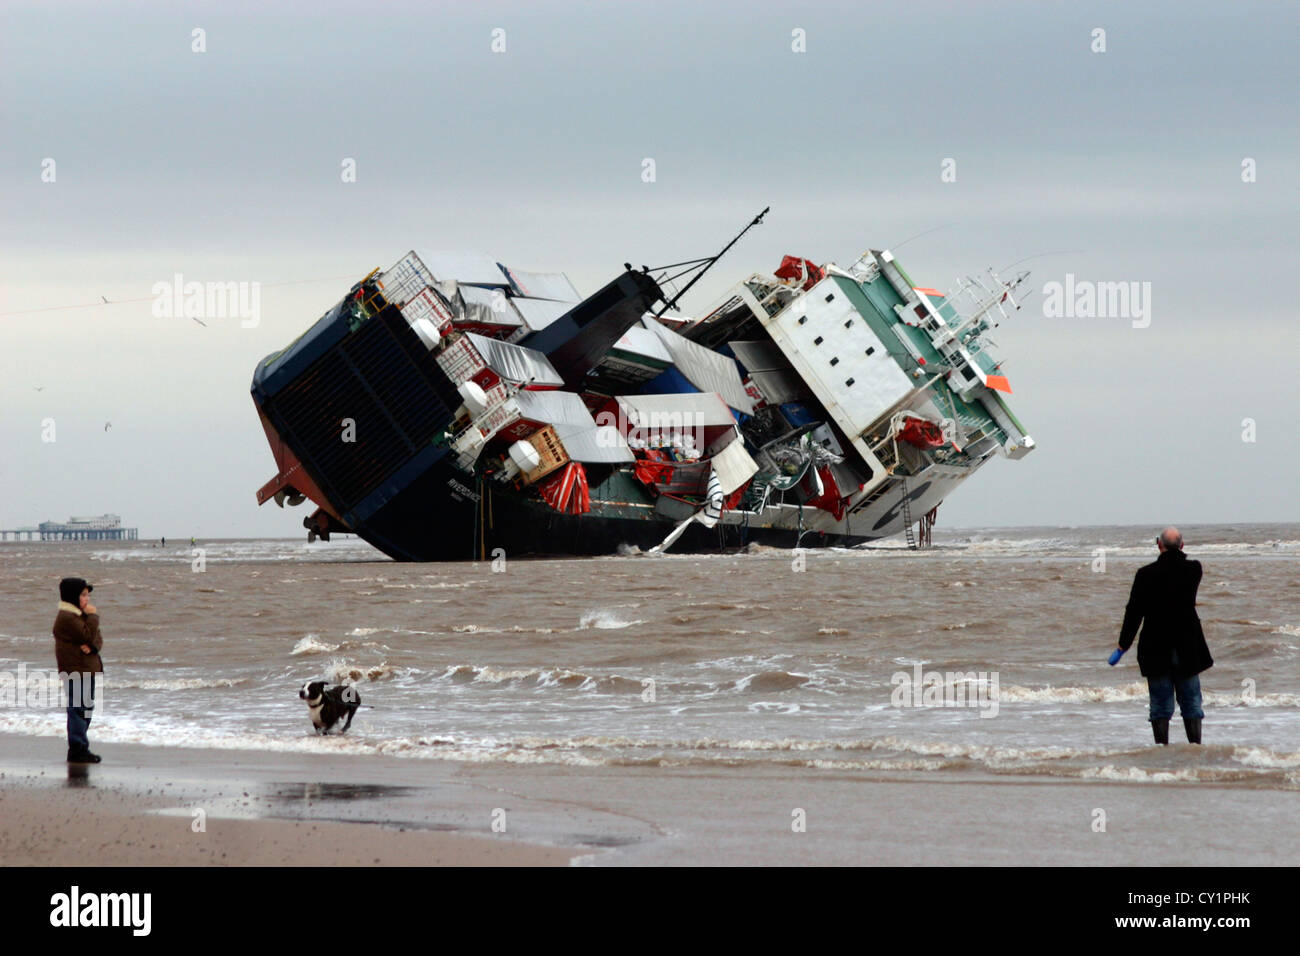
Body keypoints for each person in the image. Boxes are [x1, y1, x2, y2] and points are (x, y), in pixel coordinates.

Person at [1115, 528, 1213, 745]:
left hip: (1155, 646)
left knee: (1160, 704)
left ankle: (1162, 750)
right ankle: (1195, 749)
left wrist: (1123, 645)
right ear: (1182, 545)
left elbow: (1134, 612)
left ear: (1158, 544)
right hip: (1187, 646)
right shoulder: (1193, 570)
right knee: (1191, 701)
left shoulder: (1145, 574)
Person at [53, 577, 104, 763]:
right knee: (78, 709)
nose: (87, 599)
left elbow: (96, 638)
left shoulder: (80, 617)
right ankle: (77, 748)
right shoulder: (67, 617)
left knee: (87, 708)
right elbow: (88, 634)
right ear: (72, 597)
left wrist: (93, 647)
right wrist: (93, 616)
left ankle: (80, 745)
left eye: (88, 595)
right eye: (83, 595)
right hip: (75, 670)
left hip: (86, 668)